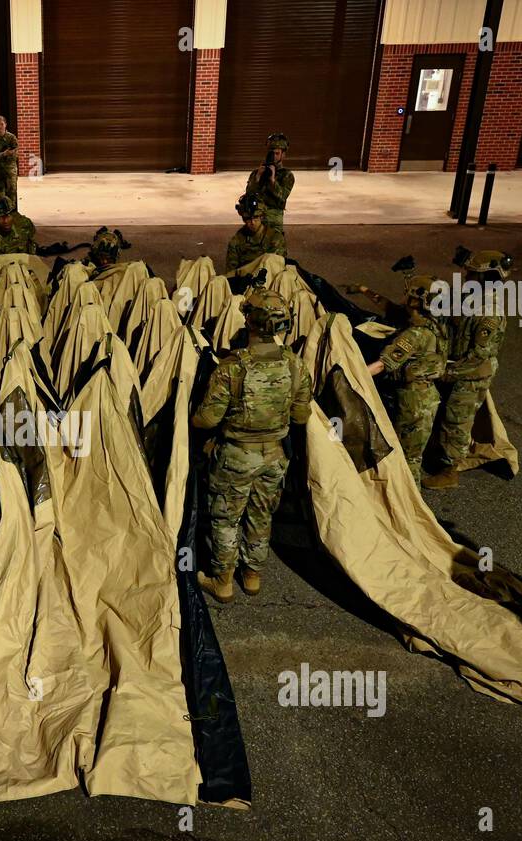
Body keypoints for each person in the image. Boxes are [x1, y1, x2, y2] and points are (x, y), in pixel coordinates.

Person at [192, 288, 312, 602]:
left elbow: (206, 420)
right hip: (275, 456)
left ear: (250, 322)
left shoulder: (231, 368)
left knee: (225, 517)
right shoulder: (296, 365)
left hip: (235, 457)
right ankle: (252, 575)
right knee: (261, 515)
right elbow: (300, 416)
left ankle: (223, 581)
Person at [422, 249, 512, 490]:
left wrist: (446, 372)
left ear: (485, 277)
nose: (466, 276)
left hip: (471, 373)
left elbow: (478, 356)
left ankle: (450, 470)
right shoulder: (474, 298)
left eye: (471, 273)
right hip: (458, 365)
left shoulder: (489, 311)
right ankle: (438, 454)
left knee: (457, 420)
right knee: (445, 414)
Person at [364, 275, 446, 485]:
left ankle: (409, 507)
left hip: (413, 402)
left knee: (405, 458)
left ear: (415, 301)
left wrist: (354, 374)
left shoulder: (414, 335)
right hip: (427, 396)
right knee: (413, 455)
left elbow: (383, 364)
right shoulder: (436, 326)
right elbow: (393, 309)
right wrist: (365, 290)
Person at [244, 132, 294, 252]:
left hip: (273, 222)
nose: (274, 157)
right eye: (272, 153)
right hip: (256, 221)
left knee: (275, 257)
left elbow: (282, 197)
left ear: (283, 155)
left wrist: (272, 181)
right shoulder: (258, 172)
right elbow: (249, 194)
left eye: (277, 153)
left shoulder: (286, 175)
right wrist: (257, 177)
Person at [226, 193, 285, 271]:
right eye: (248, 219)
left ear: (262, 217)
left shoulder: (275, 238)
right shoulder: (237, 241)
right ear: (243, 219)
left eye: (255, 217)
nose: (252, 222)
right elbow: (231, 271)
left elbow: (277, 268)